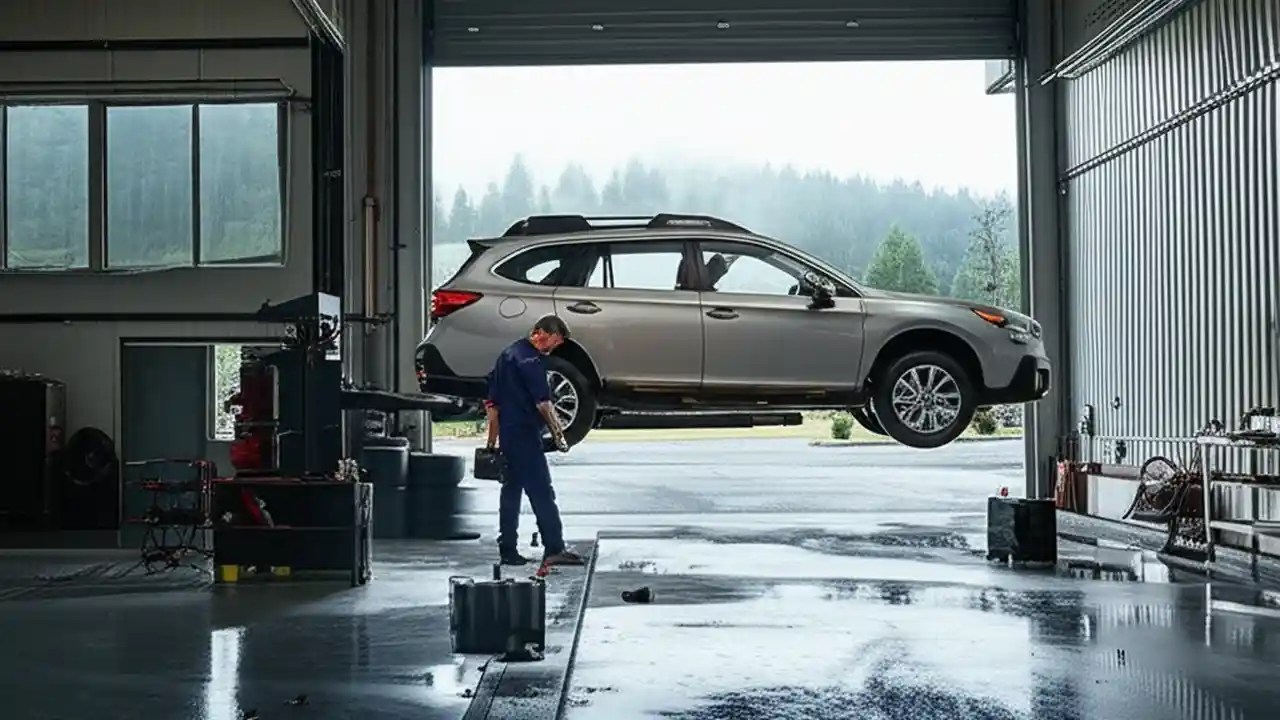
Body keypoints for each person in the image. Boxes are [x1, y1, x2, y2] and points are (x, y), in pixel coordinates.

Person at [484, 314, 586, 567]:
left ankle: (507, 549)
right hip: (526, 436)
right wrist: (559, 435)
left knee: (511, 493)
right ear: (539, 332)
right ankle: (553, 547)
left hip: (509, 436)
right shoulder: (530, 360)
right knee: (542, 492)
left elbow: (492, 406)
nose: (553, 347)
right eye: (553, 340)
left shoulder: (506, 355)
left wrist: (491, 443)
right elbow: (543, 403)